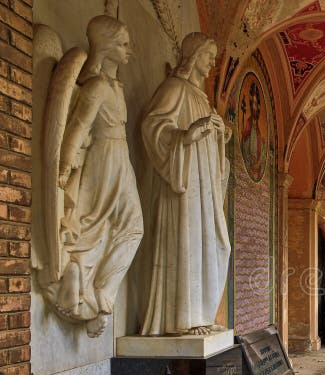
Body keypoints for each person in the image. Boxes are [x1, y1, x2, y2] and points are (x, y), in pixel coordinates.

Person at [37, 15, 143, 338]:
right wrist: (65, 160)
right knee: (96, 222)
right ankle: (79, 275)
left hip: (120, 157)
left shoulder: (114, 86)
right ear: (108, 47)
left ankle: (96, 290)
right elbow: (79, 125)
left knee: (130, 226)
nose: (129, 51)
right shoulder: (96, 87)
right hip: (104, 157)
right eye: (123, 44)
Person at [140, 33, 231, 336]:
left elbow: (207, 139)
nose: (212, 62)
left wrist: (219, 136)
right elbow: (153, 127)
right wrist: (189, 134)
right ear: (193, 56)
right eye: (208, 55)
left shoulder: (202, 97)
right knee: (188, 243)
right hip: (185, 183)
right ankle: (182, 320)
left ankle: (201, 315)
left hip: (205, 186)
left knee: (215, 244)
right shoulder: (174, 88)